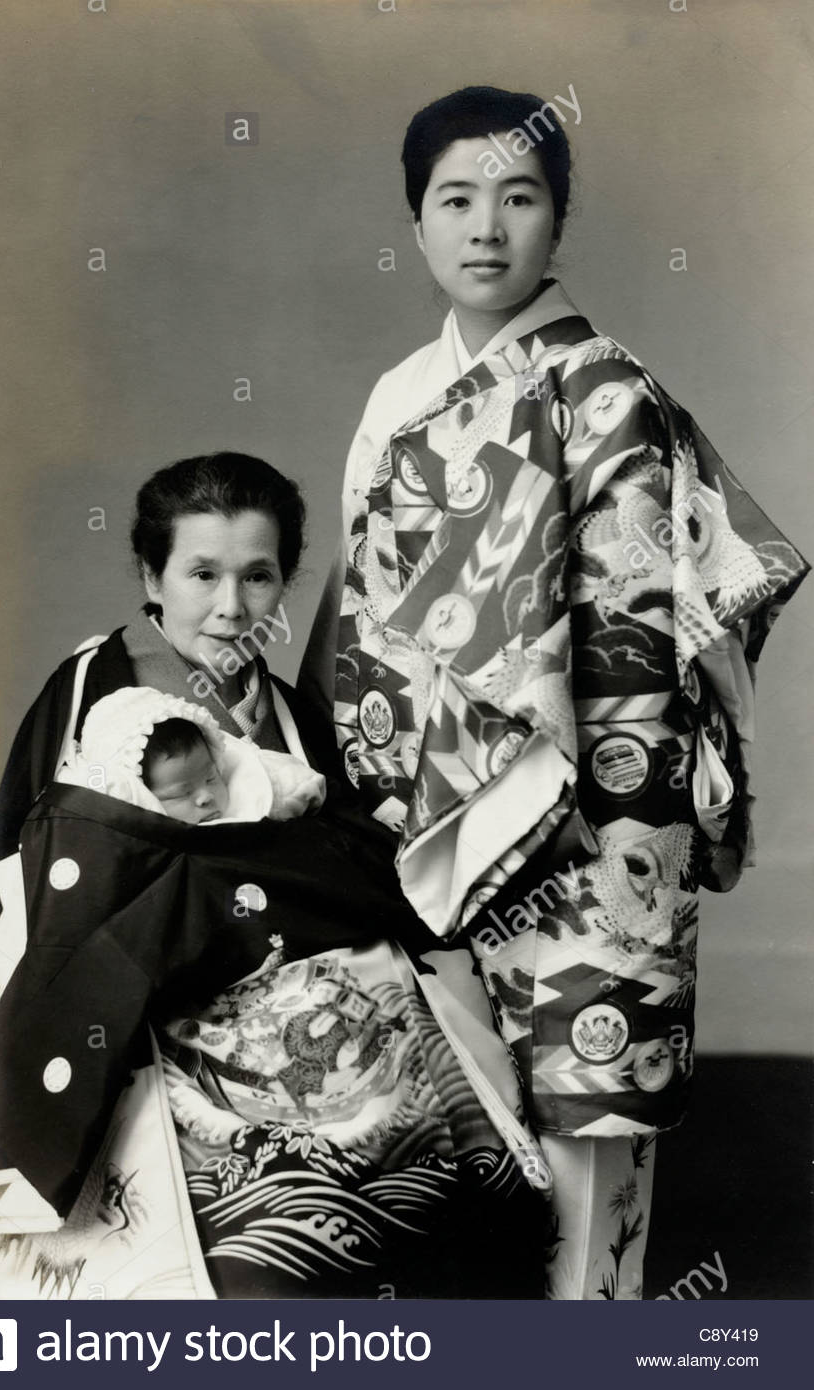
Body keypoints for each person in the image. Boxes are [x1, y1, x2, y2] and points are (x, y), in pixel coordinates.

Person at [300, 86, 809, 1300]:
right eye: (455, 200)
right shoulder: (394, 401)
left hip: (603, 800)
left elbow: (680, 616)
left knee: (591, 1107)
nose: (486, 228)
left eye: (518, 199)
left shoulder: (614, 392)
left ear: (557, 220)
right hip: (425, 795)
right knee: (451, 1104)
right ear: (416, 223)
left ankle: (600, 1347)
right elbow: (358, 618)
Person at [0, 450, 548, 1300]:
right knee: (222, 1269)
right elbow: (28, 880)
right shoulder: (89, 693)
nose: (230, 608)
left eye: (258, 577)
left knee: (456, 1194)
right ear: (151, 573)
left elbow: (344, 870)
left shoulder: (291, 716)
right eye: (201, 574)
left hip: (299, 1015)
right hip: (142, 1021)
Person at [65, 684, 326, 825]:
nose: (205, 797)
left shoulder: (245, 796)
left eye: (211, 778)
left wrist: (297, 788)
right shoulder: (134, 816)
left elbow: (288, 783)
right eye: (181, 793)